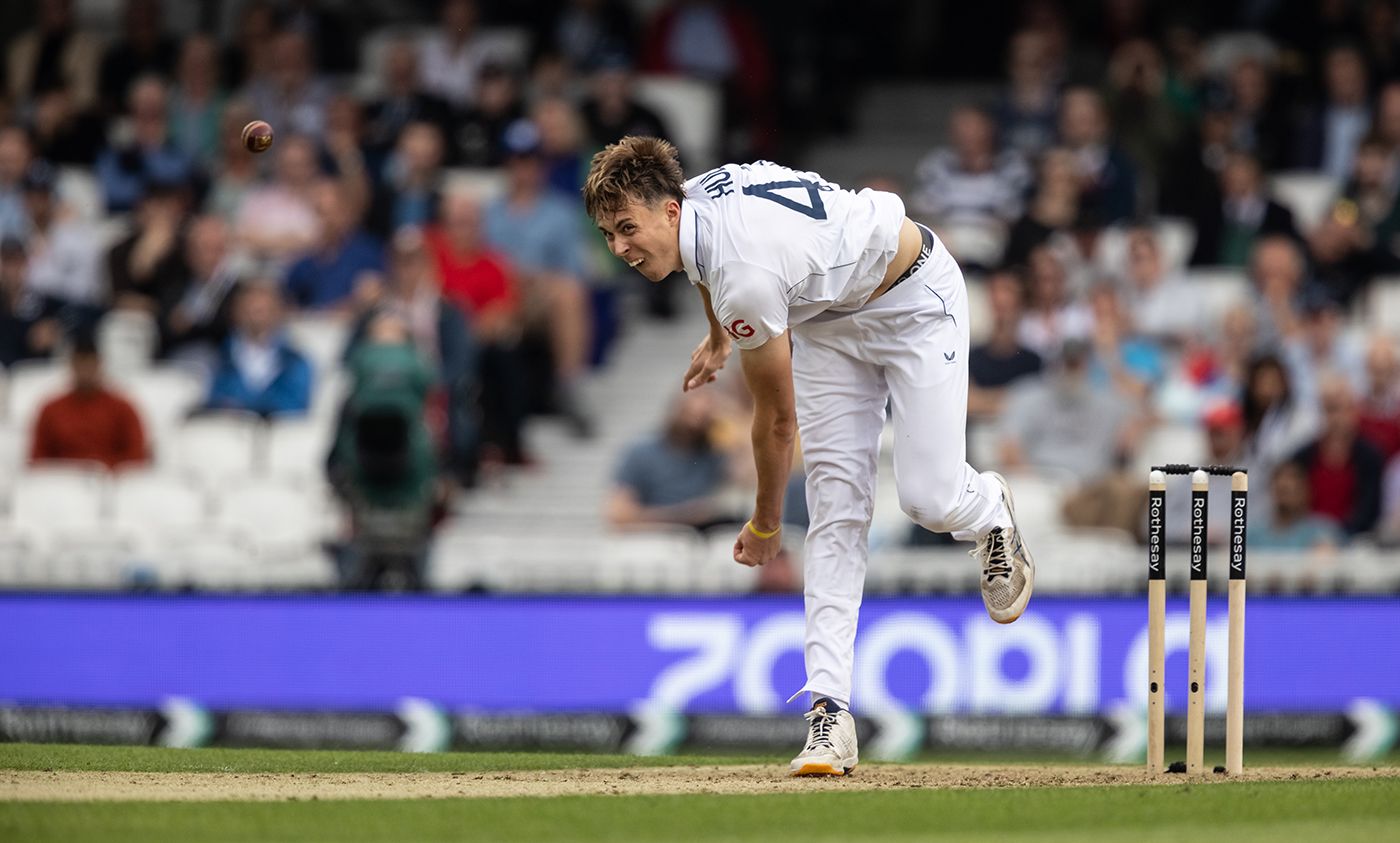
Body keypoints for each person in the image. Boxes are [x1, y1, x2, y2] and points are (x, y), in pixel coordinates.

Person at [584, 136, 1035, 776]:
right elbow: (707, 263)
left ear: (670, 210)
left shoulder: (741, 273)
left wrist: (765, 524)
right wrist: (717, 338)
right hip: (824, 321)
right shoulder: (699, 199)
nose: (620, 248)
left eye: (628, 229)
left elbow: (775, 423)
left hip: (912, 298)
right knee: (835, 513)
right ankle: (831, 715)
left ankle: (990, 510)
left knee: (928, 499)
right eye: (608, 234)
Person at [607, 390, 734, 531]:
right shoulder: (641, 452)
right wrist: (684, 516)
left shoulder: (714, 453)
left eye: (703, 418)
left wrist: (731, 425)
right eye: (689, 414)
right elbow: (618, 515)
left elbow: (750, 481)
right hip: (652, 541)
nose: (693, 426)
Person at [30, 337, 148, 470]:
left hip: (113, 483)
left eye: (90, 364)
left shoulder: (122, 408)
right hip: (62, 483)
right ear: (71, 365)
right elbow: (38, 458)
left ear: (99, 364)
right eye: (80, 364)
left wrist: (103, 468)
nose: (85, 371)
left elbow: (137, 455)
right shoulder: (51, 409)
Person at [205, 280, 313, 417]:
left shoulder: (296, 362)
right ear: (236, 312)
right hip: (228, 433)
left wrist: (249, 408)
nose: (256, 318)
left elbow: (295, 406)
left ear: (279, 312)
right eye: (249, 310)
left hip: (279, 434)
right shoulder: (218, 359)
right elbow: (214, 401)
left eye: (263, 310)